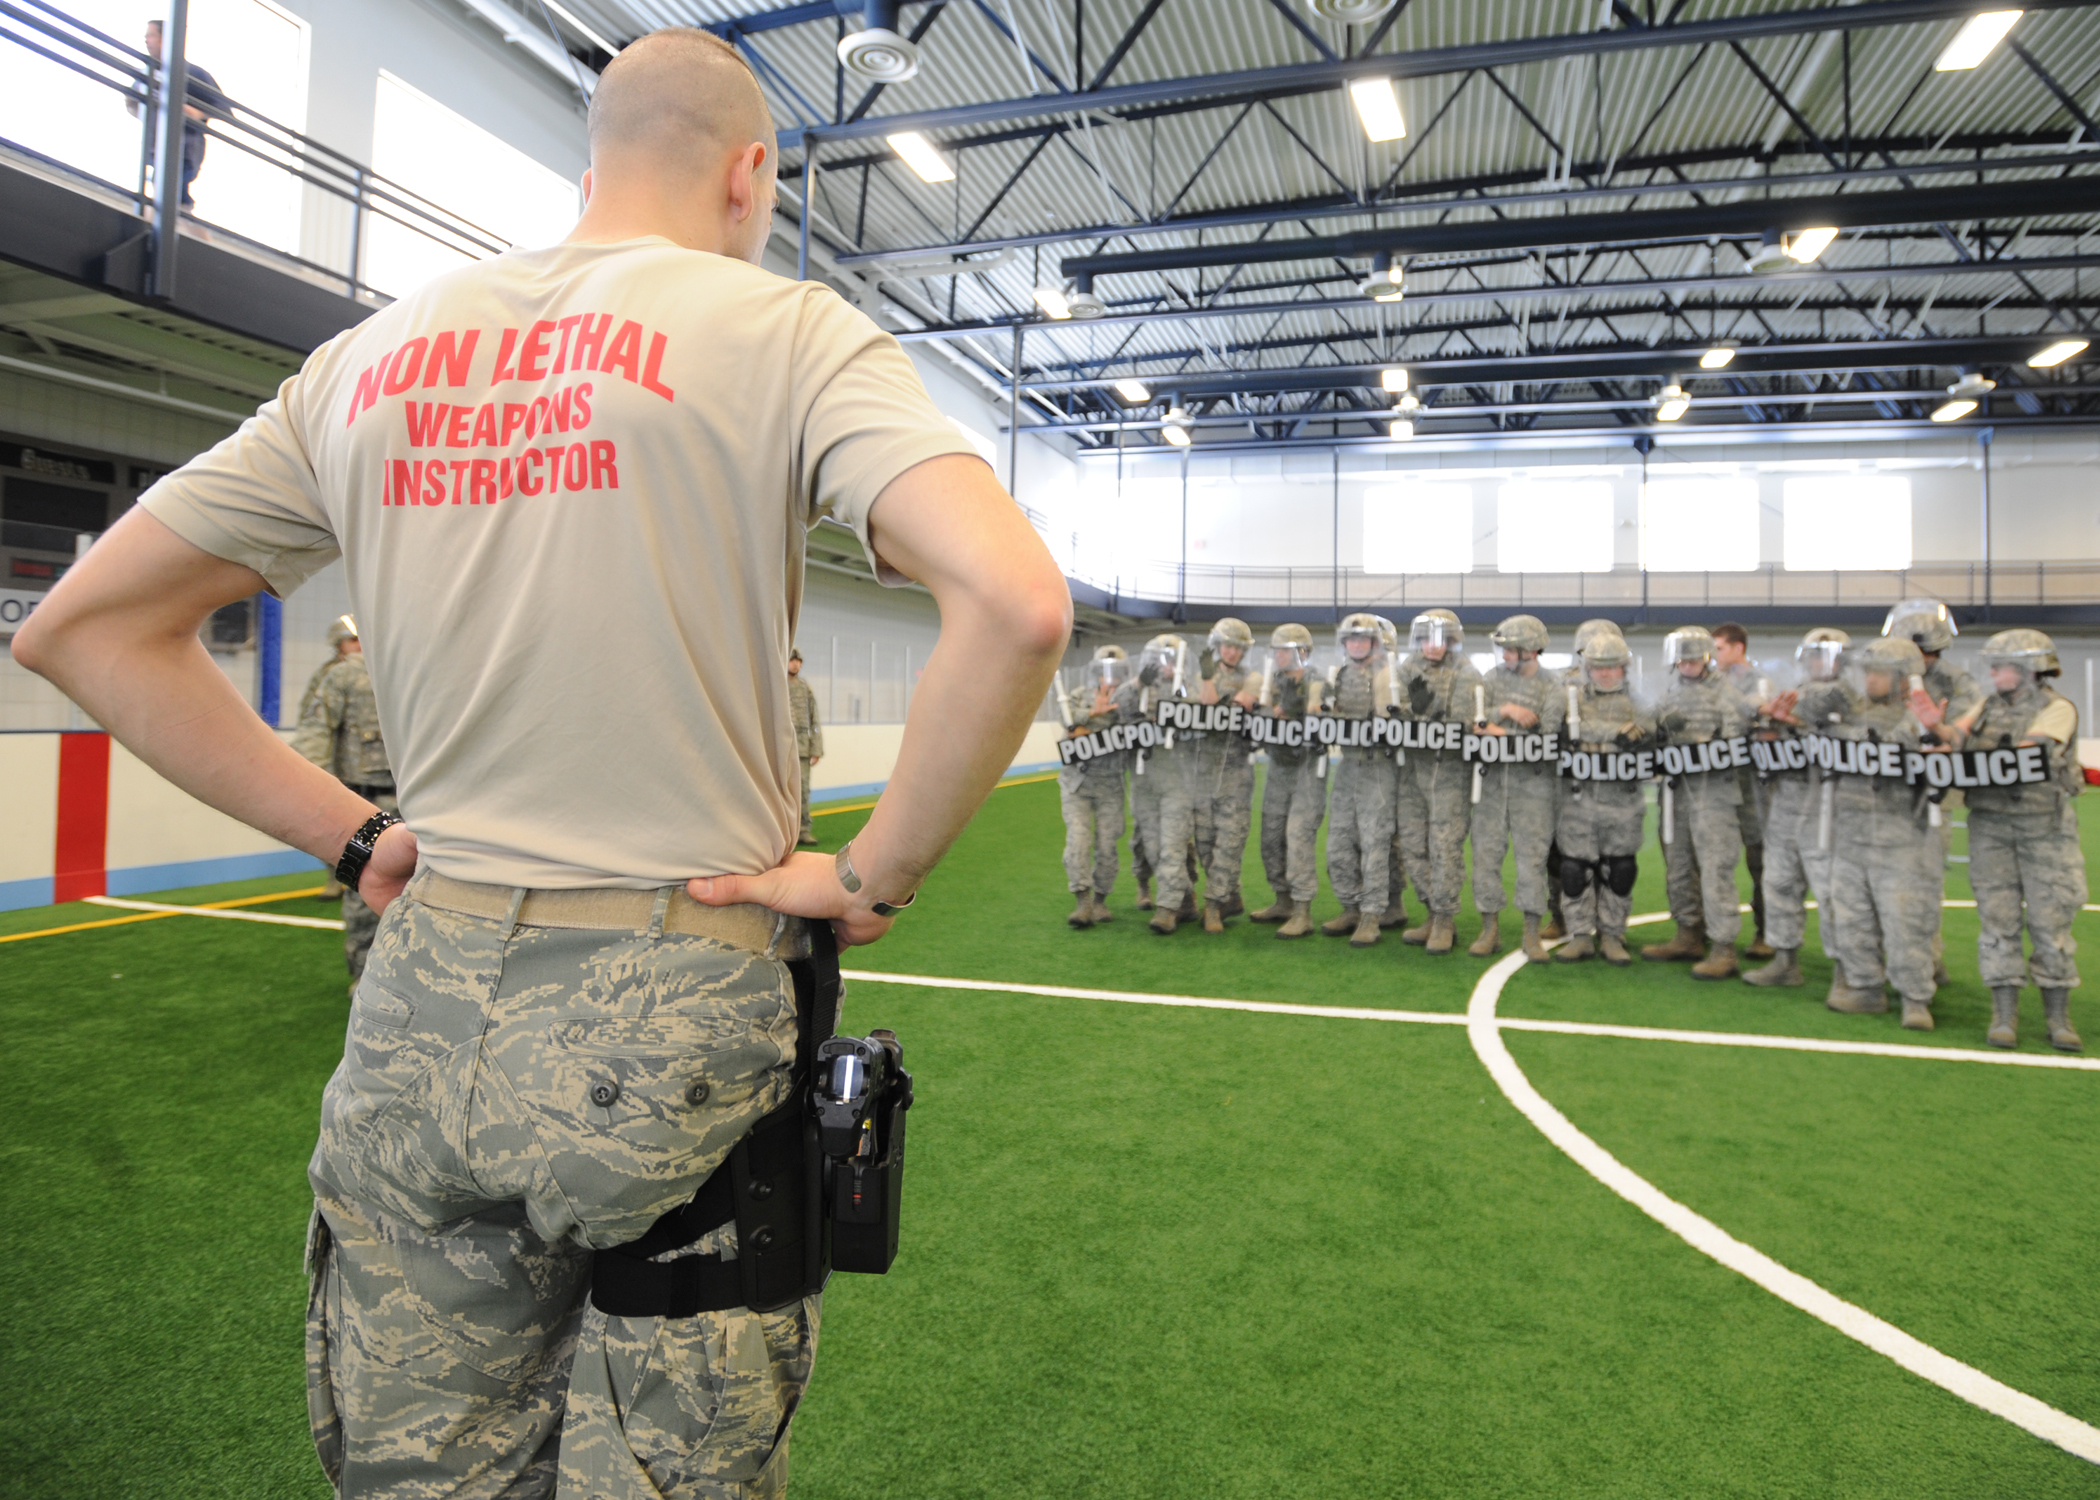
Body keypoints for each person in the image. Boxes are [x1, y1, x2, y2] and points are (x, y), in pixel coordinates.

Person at [15, 28, 1073, 1498]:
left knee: (421, 1469)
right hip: (673, 1010)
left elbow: (86, 631)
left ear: (590, 170)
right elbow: (1018, 603)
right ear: (749, 174)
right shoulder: (783, 331)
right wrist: (869, 873)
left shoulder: (365, 360)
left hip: (422, 991)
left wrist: (350, 836)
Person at [1966, 629, 2085, 1051]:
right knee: (1997, 921)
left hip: (2044, 832)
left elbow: (2029, 751)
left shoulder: (2057, 708)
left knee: (2050, 923)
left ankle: (2058, 1017)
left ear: (2028, 670)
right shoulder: (1984, 706)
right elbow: (1953, 739)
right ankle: (2004, 1015)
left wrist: (1965, 753)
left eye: (2002, 666)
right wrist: (1936, 727)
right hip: (1991, 828)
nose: (1993, 672)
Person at [1819, 637, 1941, 1028]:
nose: (1869, 679)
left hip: (1899, 835)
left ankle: (1915, 997)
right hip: (1850, 832)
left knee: (1904, 920)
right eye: (1867, 671)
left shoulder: (1921, 717)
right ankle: (1865, 988)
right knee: (1851, 916)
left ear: (1904, 677)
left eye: (1879, 673)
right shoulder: (1850, 712)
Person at [1885, 599, 1986, 987]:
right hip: (1890, 792)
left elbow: (1962, 733)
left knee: (1925, 880)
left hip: (1933, 795)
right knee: (1888, 878)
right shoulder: (1886, 677)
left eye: (1926, 652)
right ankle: (1894, 957)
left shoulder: (1958, 682)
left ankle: (1928, 959)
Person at [1742, 628, 1848, 989]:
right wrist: (1769, 728)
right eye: (1814, 656)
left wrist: (1798, 724)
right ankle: (1785, 960)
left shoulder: (1852, 699)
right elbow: (1769, 750)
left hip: (1829, 804)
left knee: (1833, 890)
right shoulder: (1793, 696)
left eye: (1827, 656)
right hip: (1787, 800)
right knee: (1779, 881)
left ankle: (1847, 969)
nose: (1820, 663)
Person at [291, 612, 392, 981]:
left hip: (417, 804)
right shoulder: (340, 676)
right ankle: (364, 977)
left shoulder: (403, 669)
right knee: (365, 896)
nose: (359, 646)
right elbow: (316, 731)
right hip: (366, 802)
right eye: (352, 641)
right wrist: (319, 791)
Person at [1647, 626, 1751, 979]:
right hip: (1675, 793)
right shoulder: (1669, 694)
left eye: (1693, 658)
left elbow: (1741, 745)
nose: (1687, 664)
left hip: (1714, 794)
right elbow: (1653, 736)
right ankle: (1688, 933)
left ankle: (1723, 947)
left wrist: (1699, 744)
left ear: (1707, 658)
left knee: (1715, 869)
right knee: (1677, 865)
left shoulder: (1728, 694)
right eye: (1682, 658)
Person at [1555, 627, 1652, 965]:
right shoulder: (1570, 696)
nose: (1606, 674)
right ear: (1587, 668)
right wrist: (1613, 734)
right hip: (1578, 801)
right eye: (1598, 667)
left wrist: (1590, 734)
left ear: (1624, 668)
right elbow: (1565, 729)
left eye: (1613, 667)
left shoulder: (1639, 702)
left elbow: (1647, 734)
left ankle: (1612, 935)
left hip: (1623, 802)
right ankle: (1579, 935)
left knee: (1621, 870)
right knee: (1573, 870)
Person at [1470, 614, 1562, 962]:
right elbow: (1473, 718)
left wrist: (1499, 732)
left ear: (1530, 650)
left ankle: (1531, 932)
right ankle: (1489, 929)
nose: (1504, 653)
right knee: (1486, 857)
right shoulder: (1491, 679)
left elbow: (1548, 736)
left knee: (1532, 861)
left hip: (1534, 787)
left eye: (1510, 648)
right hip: (1492, 783)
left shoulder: (1552, 686)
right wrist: (1505, 710)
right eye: (1503, 648)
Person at [1393, 608, 1484, 954]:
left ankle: (1445, 920)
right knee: (1414, 842)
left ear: (1450, 641)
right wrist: (1415, 715)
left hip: (1448, 772)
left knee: (1444, 846)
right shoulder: (1406, 668)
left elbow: (1461, 722)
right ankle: (1431, 911)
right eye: (1425, 639)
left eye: (1439, 640)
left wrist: (1423, 714)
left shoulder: (1466, 672)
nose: (1431, 647)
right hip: (1413, 771)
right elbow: (1393, 706)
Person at [1542, 617, 1624, 943]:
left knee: (1610, 857)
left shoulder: (1625, 689)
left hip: (1608, 786)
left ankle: (1608, 923)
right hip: (1566, 785)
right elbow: (1547, 729)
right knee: (1561, 855)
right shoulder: (1561, 685)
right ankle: (1560, 916)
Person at [1319, 612, 1396, 946]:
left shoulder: (1389, 675)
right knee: (1338, 842)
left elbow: (1387, 723)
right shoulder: (1339, 675)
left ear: (1375, 643)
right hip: (1348, 765)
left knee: (1374, 844)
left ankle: (1371, 915)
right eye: (1352, 639)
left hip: (1378, 767)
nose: (1357, 644)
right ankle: (1350, 905)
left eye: (1363, 639)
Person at [1250, 623, 1325, 938]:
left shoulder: (1317, 681)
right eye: (1277, 650)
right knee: (1271, 836)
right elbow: (1257, 722)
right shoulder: (1271, 682)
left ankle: (1302, 910)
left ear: (1302, 653)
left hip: (1307, 769)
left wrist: (1299, 713)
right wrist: (1273, 712)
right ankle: (1281, 899)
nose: (1279, 656)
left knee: (1298, 837)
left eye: (1286, 650)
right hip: (1278, 766)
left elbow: (1321, 722)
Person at [1194, 618, 1259, 933]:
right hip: (1202, 771)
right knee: (1205, 841)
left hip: (1236, 771)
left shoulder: (1254, 678)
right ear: (1215, 646)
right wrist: (1207, 678)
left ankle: (1213, 905)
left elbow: (1228, 711)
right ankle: (1230, 894)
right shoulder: (1197, 678)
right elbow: (1203, 711)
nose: (1232, 652)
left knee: (1229, 842)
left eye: (1238, 647)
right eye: (1227, 645)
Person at [1135, 632, 1203, 934]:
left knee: (1172, 846)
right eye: (1161, 659)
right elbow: (1120, 709)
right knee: (1152, 847)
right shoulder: (1140, 688)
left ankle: (1167, 909)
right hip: (1145, 781)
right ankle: (1186, 899)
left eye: (1172, 660)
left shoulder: (1193, 688)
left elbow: (1206, 721)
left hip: (1179, 779)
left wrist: (1184, 703)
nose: (1166, 665)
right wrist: (1139, 685)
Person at [1712, 623, 1772, 959]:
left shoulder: (1760, 683)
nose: (1714, 655)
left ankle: (1766, 932)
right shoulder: (1710, 684)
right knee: (1715, 859)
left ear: (1738, 648)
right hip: (1718, 783)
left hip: (1753, 785)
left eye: (1719, 648)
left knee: (1759, 859)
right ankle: (1710, 930)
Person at [1059, 644, 1128, 927]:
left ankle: (1100, 900)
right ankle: (1082, 901)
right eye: (1104, 669)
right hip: (1078, 782)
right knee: (1078, 840)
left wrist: (1085, 727)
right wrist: (1092, 713)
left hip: (1111, 783)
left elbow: (1136, 729)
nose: (1108, 675)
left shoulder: (1129, 697)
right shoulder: (1078, 695)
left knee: (1108, 845)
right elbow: (1070, 728)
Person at [130, 20, 227, 209]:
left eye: (151, 35)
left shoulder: (192, 73)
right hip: (155, 147)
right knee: (174, 201)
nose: (146, 40)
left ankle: (173, 226)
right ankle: (187, 227)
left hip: (183, 149)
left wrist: (195, 112)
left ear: (165, 39)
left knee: (165, 197)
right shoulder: (147, 71)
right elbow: (132, 102)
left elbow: (222, 108)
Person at [789, 647, 823, 844]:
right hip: (781, 749)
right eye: (793, 660)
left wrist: (816, 748)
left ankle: (803, 830)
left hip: (802, 748)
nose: (796, 664)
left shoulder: (804, 687)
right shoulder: (777, 686)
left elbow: (814, 720)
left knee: (802, 789)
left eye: (799, 661)